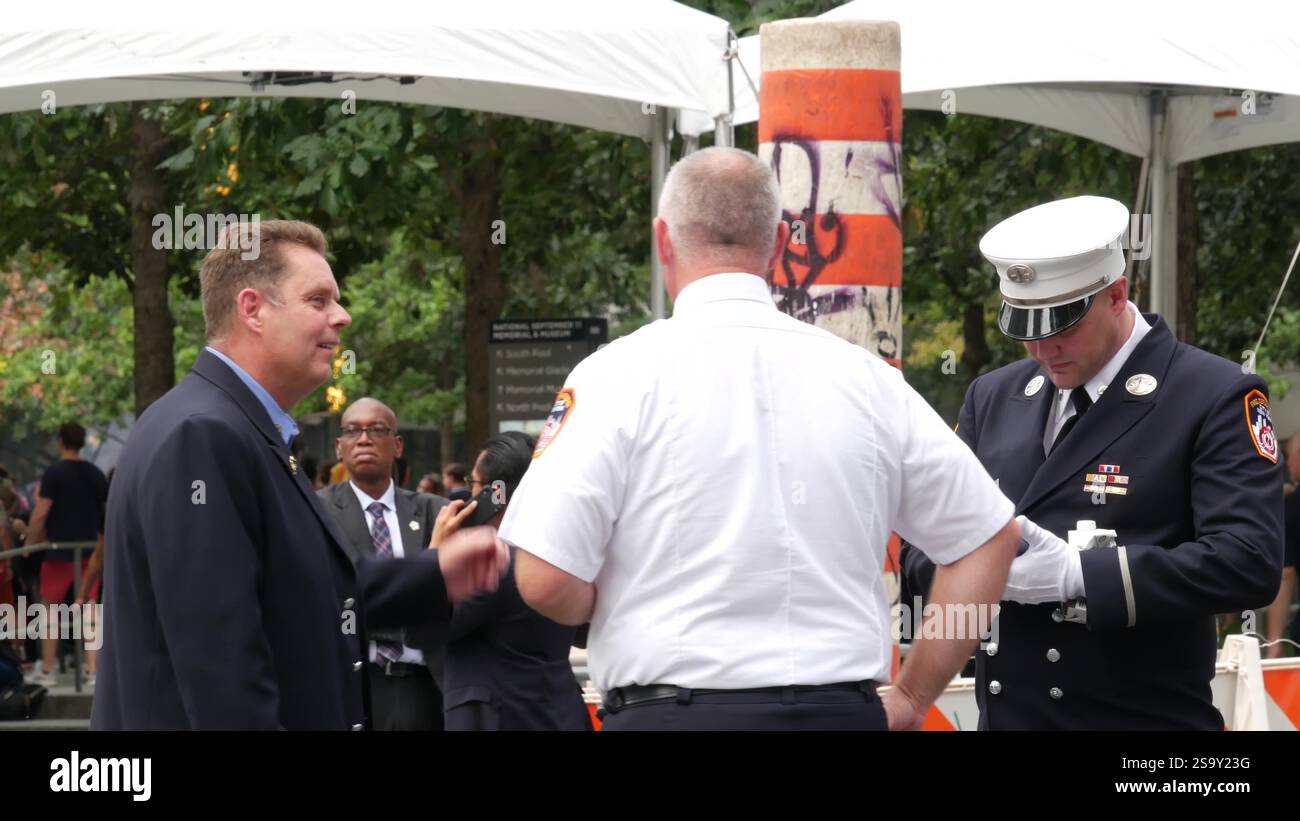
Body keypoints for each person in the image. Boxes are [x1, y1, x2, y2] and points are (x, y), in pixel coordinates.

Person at [498, 147, 1020, 731]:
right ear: (777, 242)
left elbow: (543, 578)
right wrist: (913, 696)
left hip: (671, 715)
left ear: (662, 239)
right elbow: (990, 539)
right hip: (837, 714)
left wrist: (617, 601)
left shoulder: (611, 377)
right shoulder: (868, 379)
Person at [91, 220, 507, 730]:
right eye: (318, 300)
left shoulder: (235, 427)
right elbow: (223, 672)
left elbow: (311, 589)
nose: (343, 316)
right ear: (253, 310)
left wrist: (435, 574)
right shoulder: (203, 436)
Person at [902, 195, 1283, 729]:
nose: (1043, 349)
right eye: (1029, 332)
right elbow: (922, 541)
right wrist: (982, 569)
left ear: (1117, 295)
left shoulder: (1211, 394)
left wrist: (1077, 575)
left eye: (1063, 328)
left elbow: (1248, 561)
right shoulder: (993, 396)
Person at [430, 432, 591, 731]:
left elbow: (421, 628)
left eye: (473, 485)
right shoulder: (563, 557)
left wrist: (435, 554)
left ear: (495, 493)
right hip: (563, 712)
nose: (468, 495)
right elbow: (583, 631)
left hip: (496, 718)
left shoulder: (491, 562)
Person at [319, 397, 450, 730]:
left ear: (398, 445)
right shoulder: (315, 512)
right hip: (355, 685)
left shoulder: (437, 512)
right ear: (339, 447)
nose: (364, 439)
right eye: (353, 431)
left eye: (377, 430)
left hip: (426, 686)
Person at [25, 423, 108, 687]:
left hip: (58, 552)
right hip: (91, 550)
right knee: (90, 607)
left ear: (61, 441)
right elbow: (107, 511)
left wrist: (29, 542)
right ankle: (92, 669)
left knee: (50, 609)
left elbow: (40, 513)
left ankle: (49, 670)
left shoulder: (54, 474)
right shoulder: (96, 474)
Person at [1266, 435, 1299, 658]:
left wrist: (1274, 641)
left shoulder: (1293, 507)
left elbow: (1285, 575)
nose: (1286, 463)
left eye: (1289, 456)